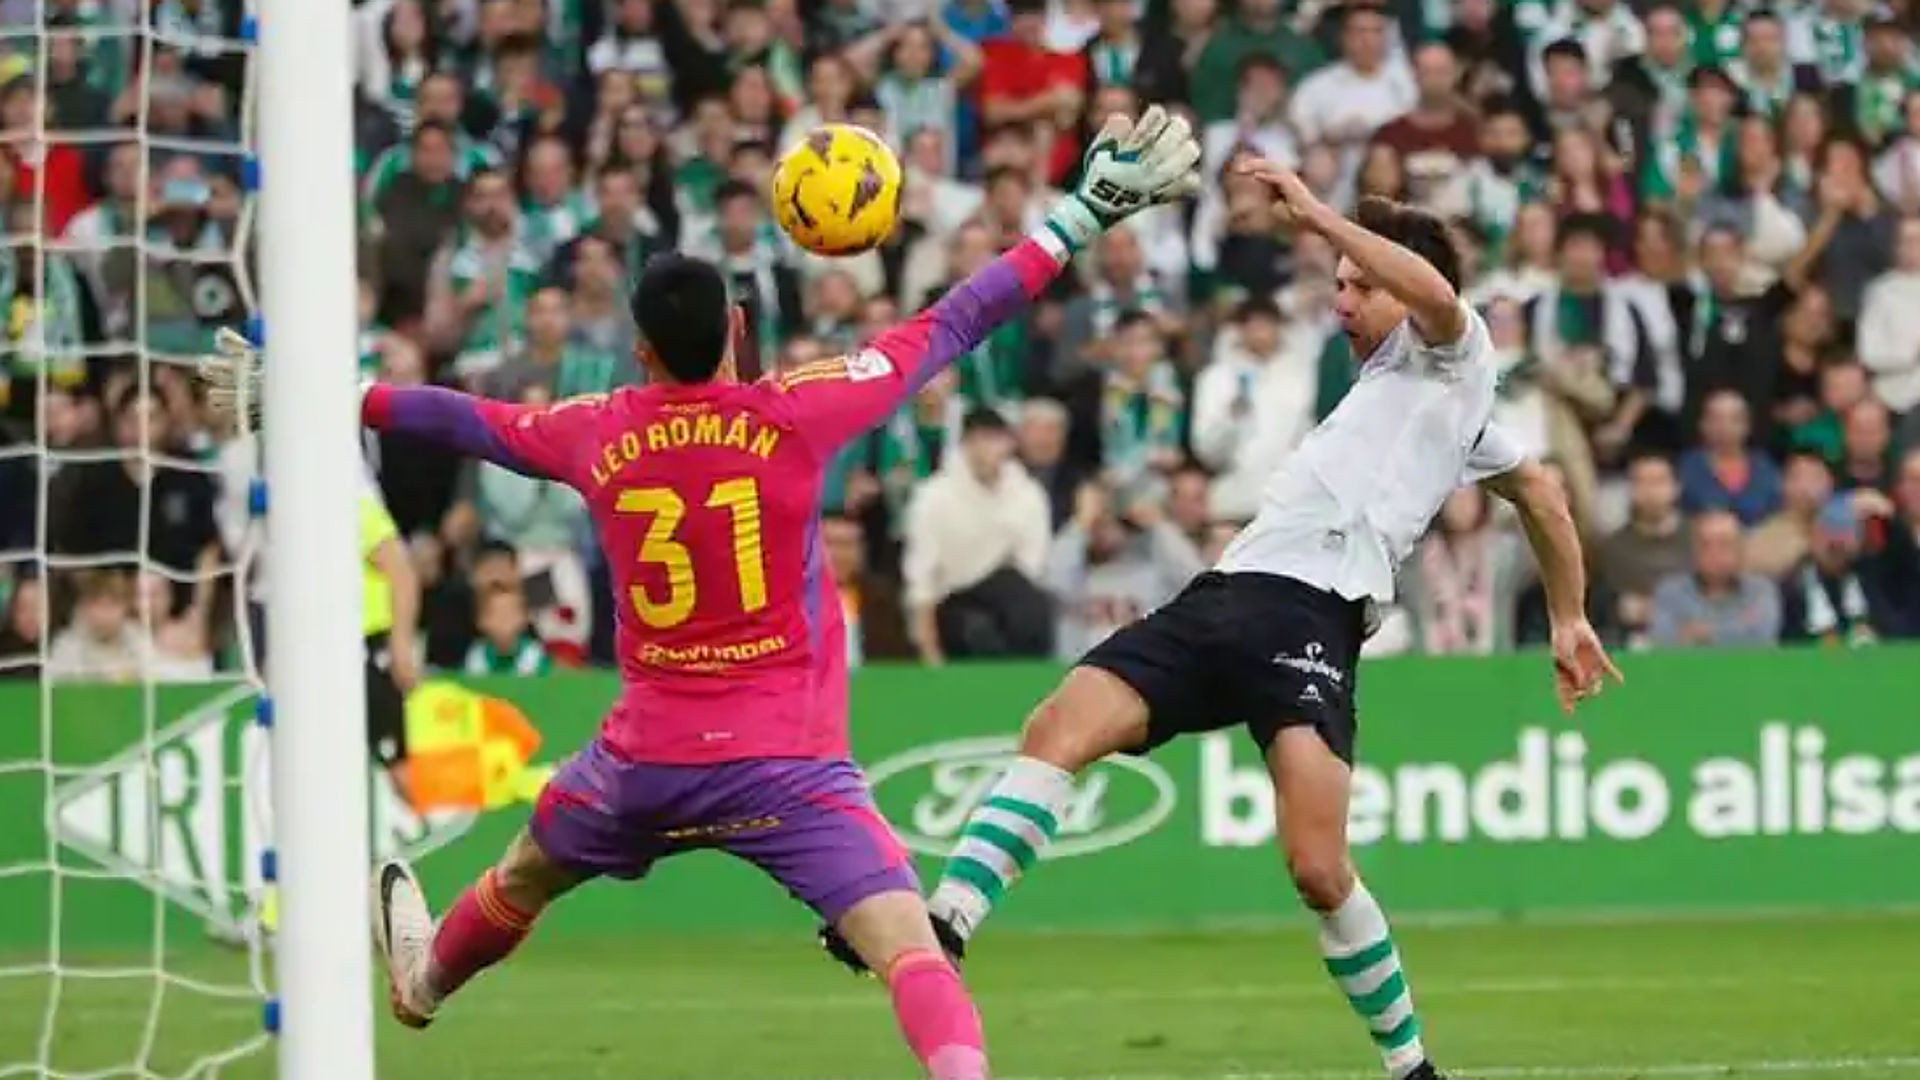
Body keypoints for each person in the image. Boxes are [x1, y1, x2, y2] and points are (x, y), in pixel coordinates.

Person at [204, 106, 1200, 1080]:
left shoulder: (593, 429)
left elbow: (464, 419)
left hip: (641, 764)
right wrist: (1084, 210)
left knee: (520, 878)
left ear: (639, 350)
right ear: (735, 327)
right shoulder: (801, 412)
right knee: (909, 949)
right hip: (785, 769)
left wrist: (319, 397)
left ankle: (423, 985)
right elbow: (958, 320)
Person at [820, 162, 1623, 1080]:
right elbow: (1544, 499)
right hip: (1226, 592)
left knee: (1318, 870)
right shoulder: (1418, 403)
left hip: (1312, 621)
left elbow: (1536, 478)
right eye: (1339, 287)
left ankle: (1411, 1069)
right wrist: (1568, 614)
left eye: (1359, 287)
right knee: (1057, 727)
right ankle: (952, 916)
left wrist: (1317, 214)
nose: (1342, 303)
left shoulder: (1460, 349)